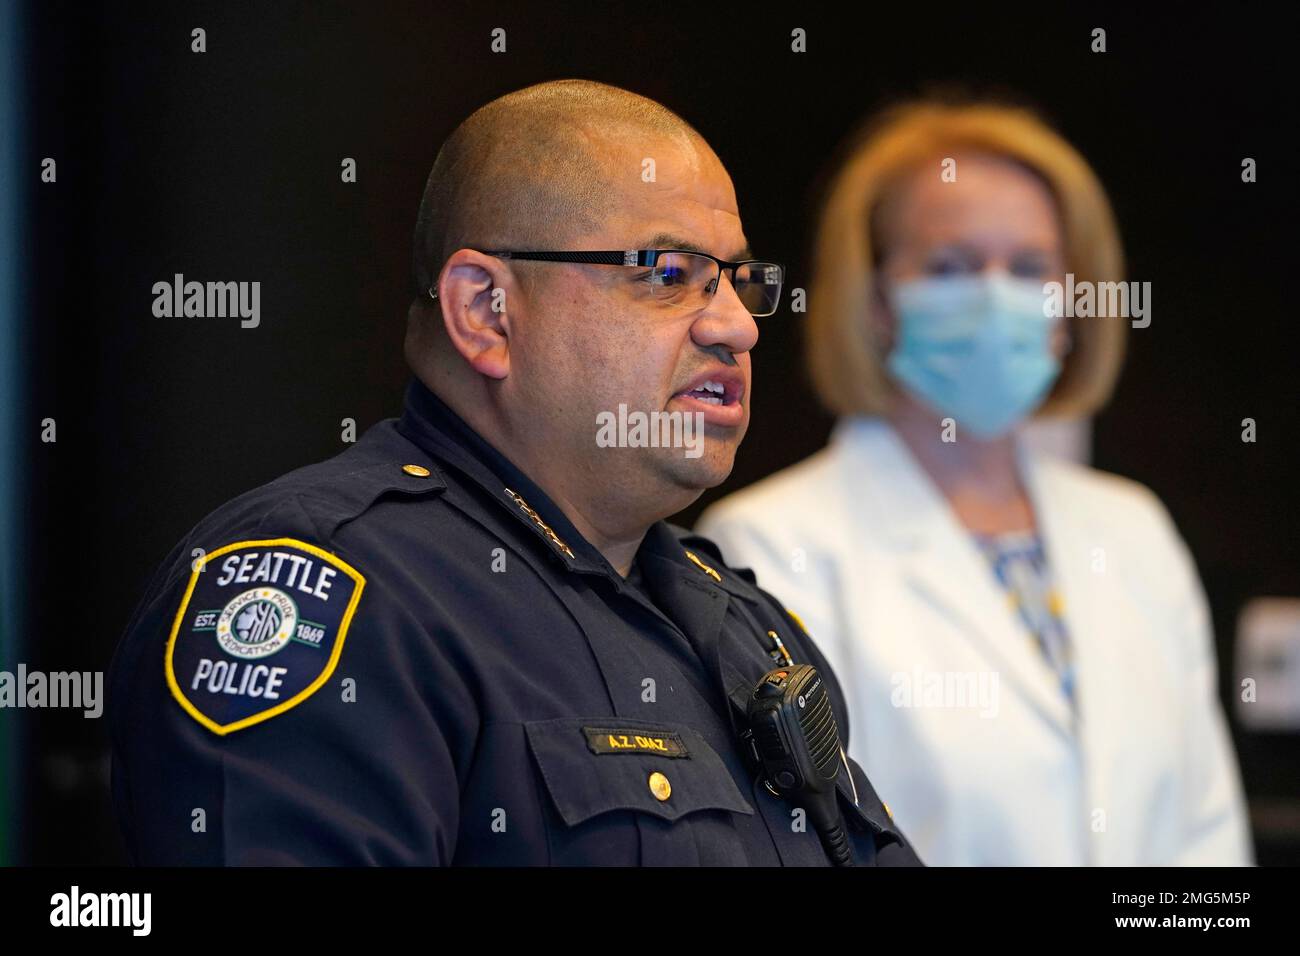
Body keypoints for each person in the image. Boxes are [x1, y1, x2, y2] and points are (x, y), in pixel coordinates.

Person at [107, 79, 921, 866]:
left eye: (738, 281)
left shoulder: (747, 624)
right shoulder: (328, 589)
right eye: (668, 275)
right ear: (485, 312)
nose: (737, 327)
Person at [697, 97, 1253, 866]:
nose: (996, 295)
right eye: (952, 266)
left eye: (1028, 268)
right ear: (878, 299)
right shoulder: (774, 546)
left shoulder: (1134, 532)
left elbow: (1206, 837)